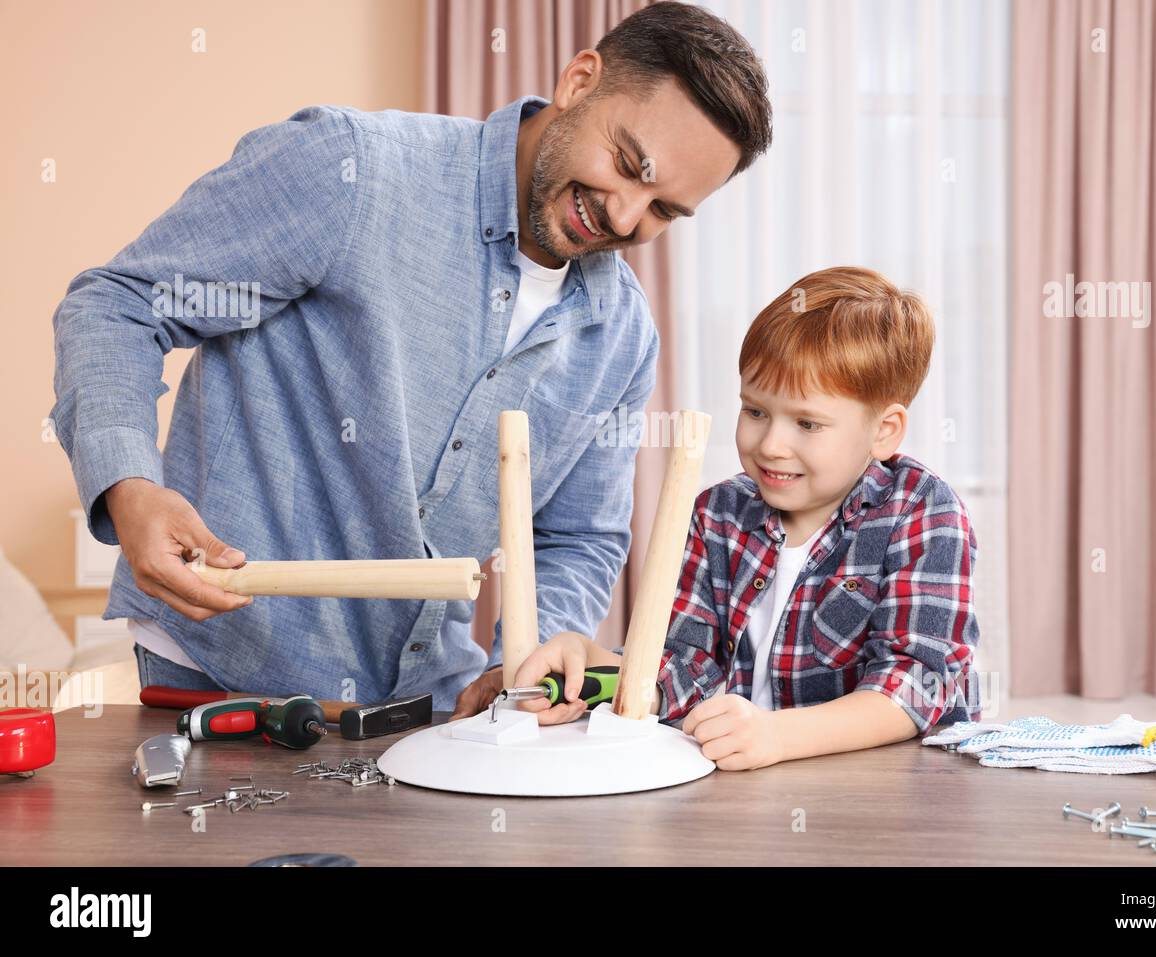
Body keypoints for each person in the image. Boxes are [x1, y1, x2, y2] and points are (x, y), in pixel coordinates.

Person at [48, 2, 772, 708]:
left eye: (663, 211)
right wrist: (130, 489)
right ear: (578, 81)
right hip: (216, 676)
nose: (622, 215)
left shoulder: (623, 335)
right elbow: (119, 303)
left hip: (427, 710)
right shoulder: (349, 169)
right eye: (628, 163)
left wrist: (531, 654)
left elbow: (578, 539)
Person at [512, 267, 981, 768]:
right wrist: (598, 668)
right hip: (740, 783)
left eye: (807, 423)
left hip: (877, 794)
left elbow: (915, 683)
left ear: (884, 431)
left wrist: (776, 736)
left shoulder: (924, 511)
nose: (771, 445)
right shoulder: (718, 514)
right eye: (755, 411)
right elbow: (687, 668)